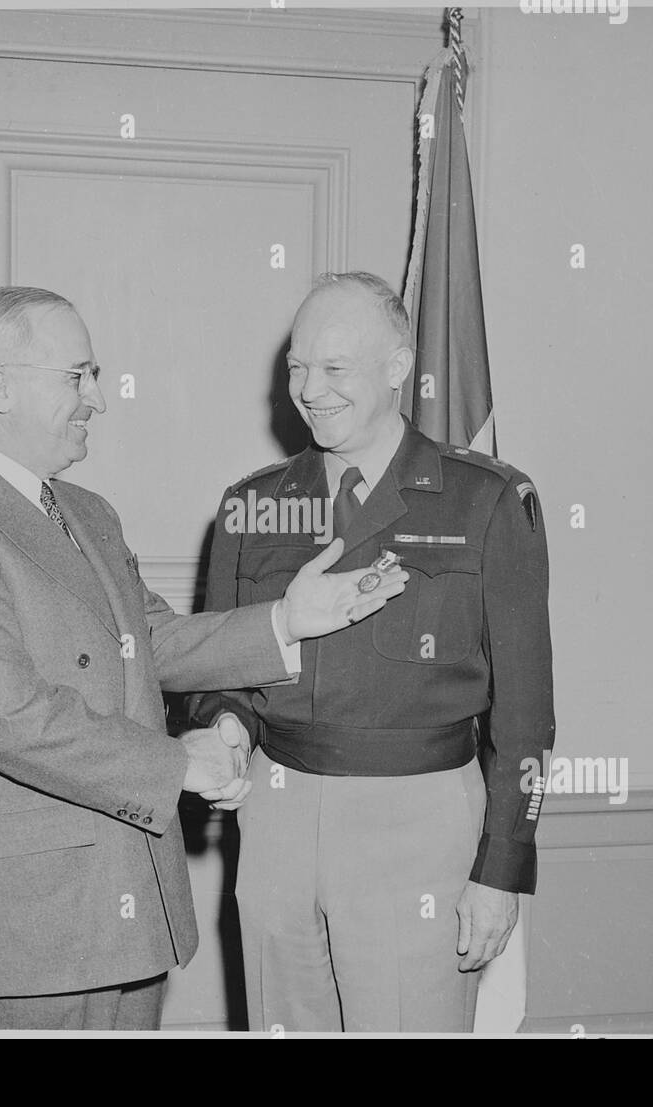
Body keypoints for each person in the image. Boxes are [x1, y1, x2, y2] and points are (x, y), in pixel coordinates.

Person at [0, 285, 406, 1030]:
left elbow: (149, 642)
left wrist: (287, 620)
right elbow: (9, 717)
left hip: (127, 906)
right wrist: (180, 765)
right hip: (25, 933)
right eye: (78, 376)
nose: (98, 396)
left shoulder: (87, 513)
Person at [189, 271, 555, 1032]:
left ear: (396, 368)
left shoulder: (484, 499)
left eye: (333, 368)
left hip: (419, 822)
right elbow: (216, 664)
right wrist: (225, 727)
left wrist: (502, 870)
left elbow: (526, 712)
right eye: (296, 367)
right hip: (277, 813)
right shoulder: (251, 504)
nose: (308, 389)